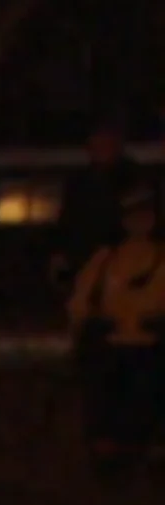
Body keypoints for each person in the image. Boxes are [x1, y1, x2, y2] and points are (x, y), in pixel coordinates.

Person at [66, 183, 165, 477]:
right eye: (133, 216)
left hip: (153, 345)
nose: (139, 223)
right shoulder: (105, 260)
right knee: (104, 385)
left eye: (145, 216)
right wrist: (91, 324)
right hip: (110, 345)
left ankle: (146, 447)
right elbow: (80, 302)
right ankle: (108, 449)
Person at [51, 121, 152, 294]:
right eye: (96, 142)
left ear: (117, 144)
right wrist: (59, 253)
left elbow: (140, 223)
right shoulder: (79, 181)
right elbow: (66, 222)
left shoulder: (134, 178)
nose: (100, 147)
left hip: (122, 256)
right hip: (85, 256)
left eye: (106, 142)